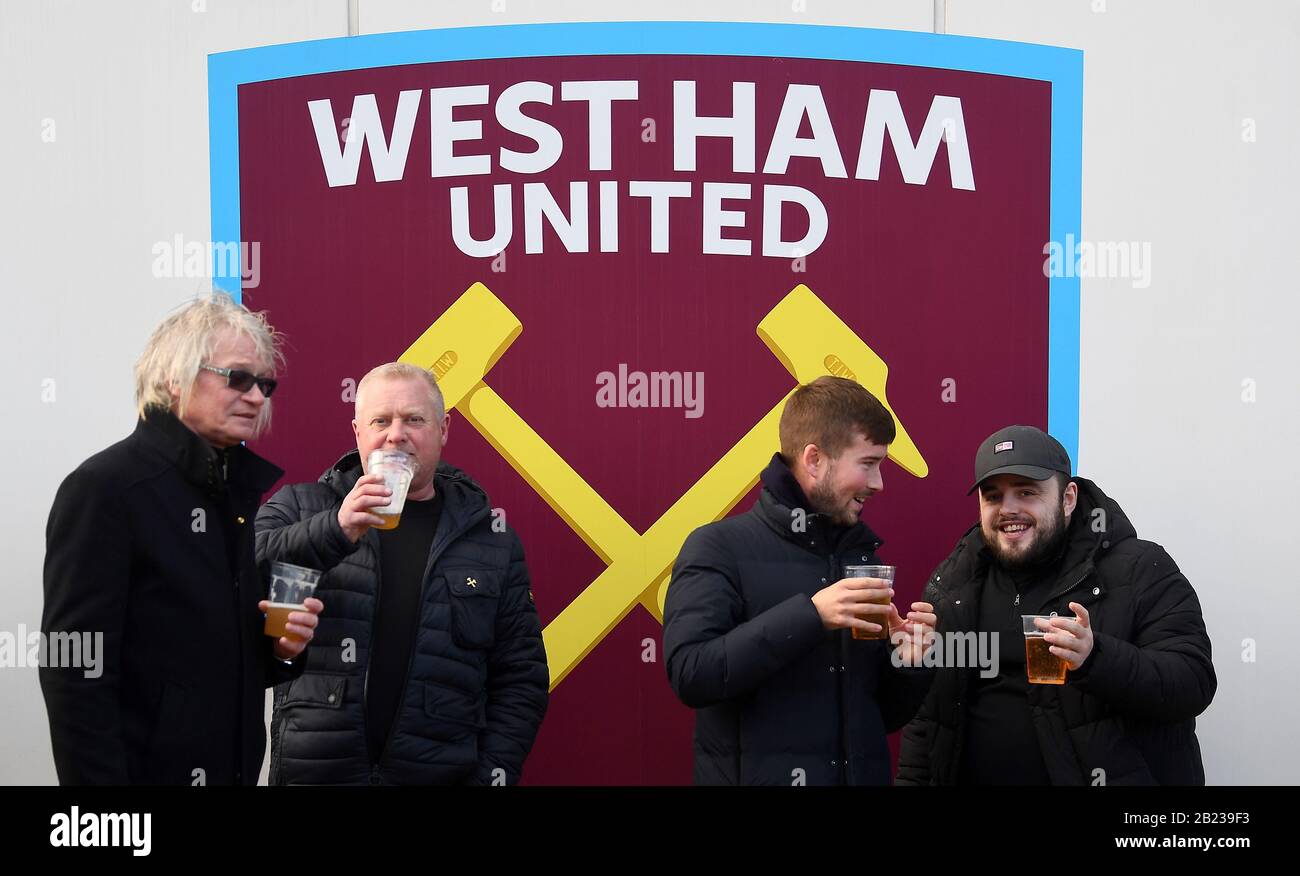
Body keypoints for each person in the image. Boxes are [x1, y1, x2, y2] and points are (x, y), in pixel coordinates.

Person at [40, 293, 320, 785]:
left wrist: (280, 649)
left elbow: (207, 661)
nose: (257, 397)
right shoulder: (106, 487)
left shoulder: (231, 492)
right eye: (237, 378)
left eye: (264, 383)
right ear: (175, 378)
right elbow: (72, 669)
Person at [255, 362, 548, 785]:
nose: (396, 434)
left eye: (414, 419)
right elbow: (240, 569)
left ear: (443, 429)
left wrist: (487, 778)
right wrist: (336, 529)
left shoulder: (491, 540)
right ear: (358, 432)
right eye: (381, 421)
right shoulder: (301, 508)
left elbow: (522, 680)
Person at [897, 425, 1216, 785]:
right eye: (993, 496)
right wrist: (913, 661)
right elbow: (929, 722)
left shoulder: (1141, 568)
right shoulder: (953, 582)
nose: (1008, 509)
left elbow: (1193, 683)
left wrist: (1095, 658)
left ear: (1068, 499)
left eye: (1027, 492)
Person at [664, 376, 936, 785]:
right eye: (868, 464)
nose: (879, 483)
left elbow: (881, 718)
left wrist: (909, 661)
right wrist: (811, 616)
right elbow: (692, 674)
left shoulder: (862, 561)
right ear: (814, 459)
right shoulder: (716, 547)